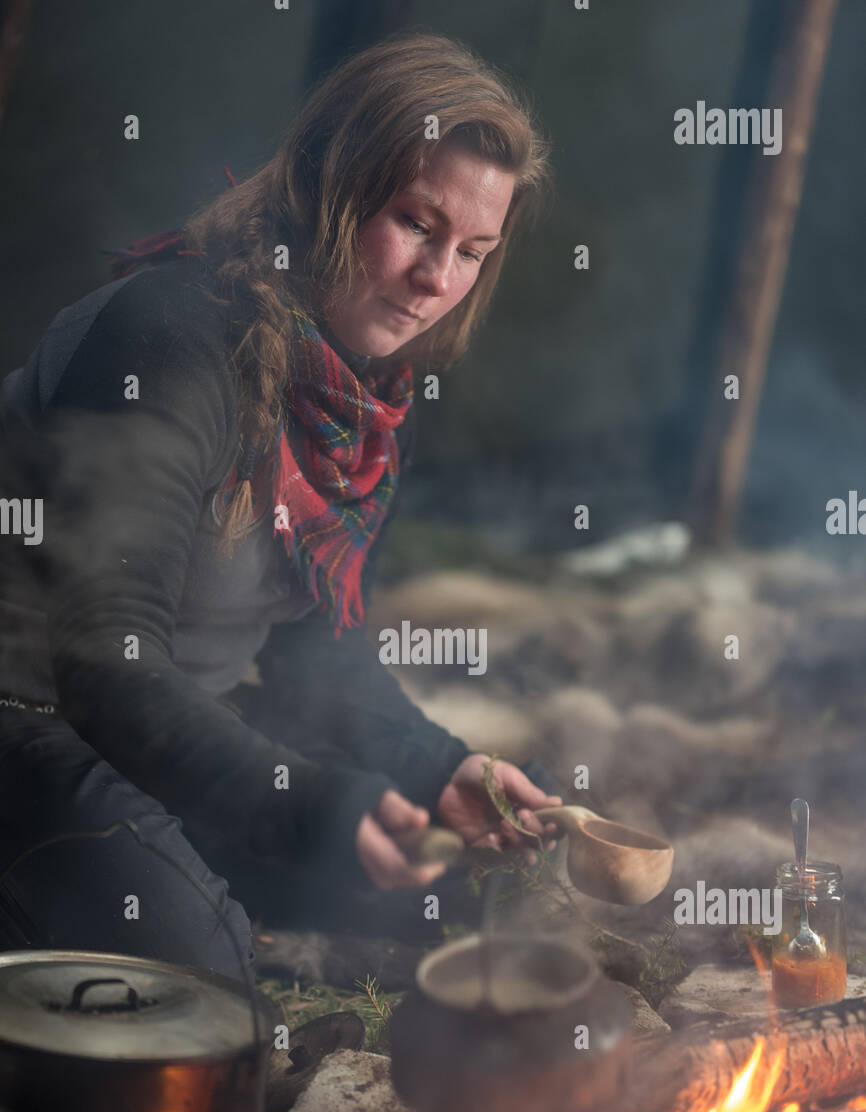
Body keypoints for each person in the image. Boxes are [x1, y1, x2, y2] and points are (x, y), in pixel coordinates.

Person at [0, 32, 560, 982]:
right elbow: (106, 661)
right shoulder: (168, 340)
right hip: (33, 713)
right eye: (418, 223)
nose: (437, 281)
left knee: (436, 888)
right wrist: (302, 801)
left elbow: (310, 644)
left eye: (473, 251)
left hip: (177, 728)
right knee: (207, 993)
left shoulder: (371, 406)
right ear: (327, 187)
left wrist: (439, 769)